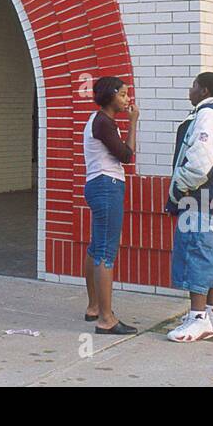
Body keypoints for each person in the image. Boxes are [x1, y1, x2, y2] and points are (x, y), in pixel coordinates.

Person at [165, 71, 213, 343]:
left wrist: (179, 187)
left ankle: (197, 318)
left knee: (198, 253)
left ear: (205, 90)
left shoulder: (208, 116)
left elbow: (200, 161)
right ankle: (211, 312)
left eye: (194, 85)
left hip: (198, 198)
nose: (190, 90)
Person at [82, 76, 139, 335]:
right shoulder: (104, 122)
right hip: (107, 185)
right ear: (110, 95)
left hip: (98, 184)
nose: (128, 99)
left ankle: (94, 306)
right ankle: (106, 318)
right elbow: (126, 155)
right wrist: (133, 123)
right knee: (106, 250)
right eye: (124, 94)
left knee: (96, 247)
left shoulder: (99, 121)